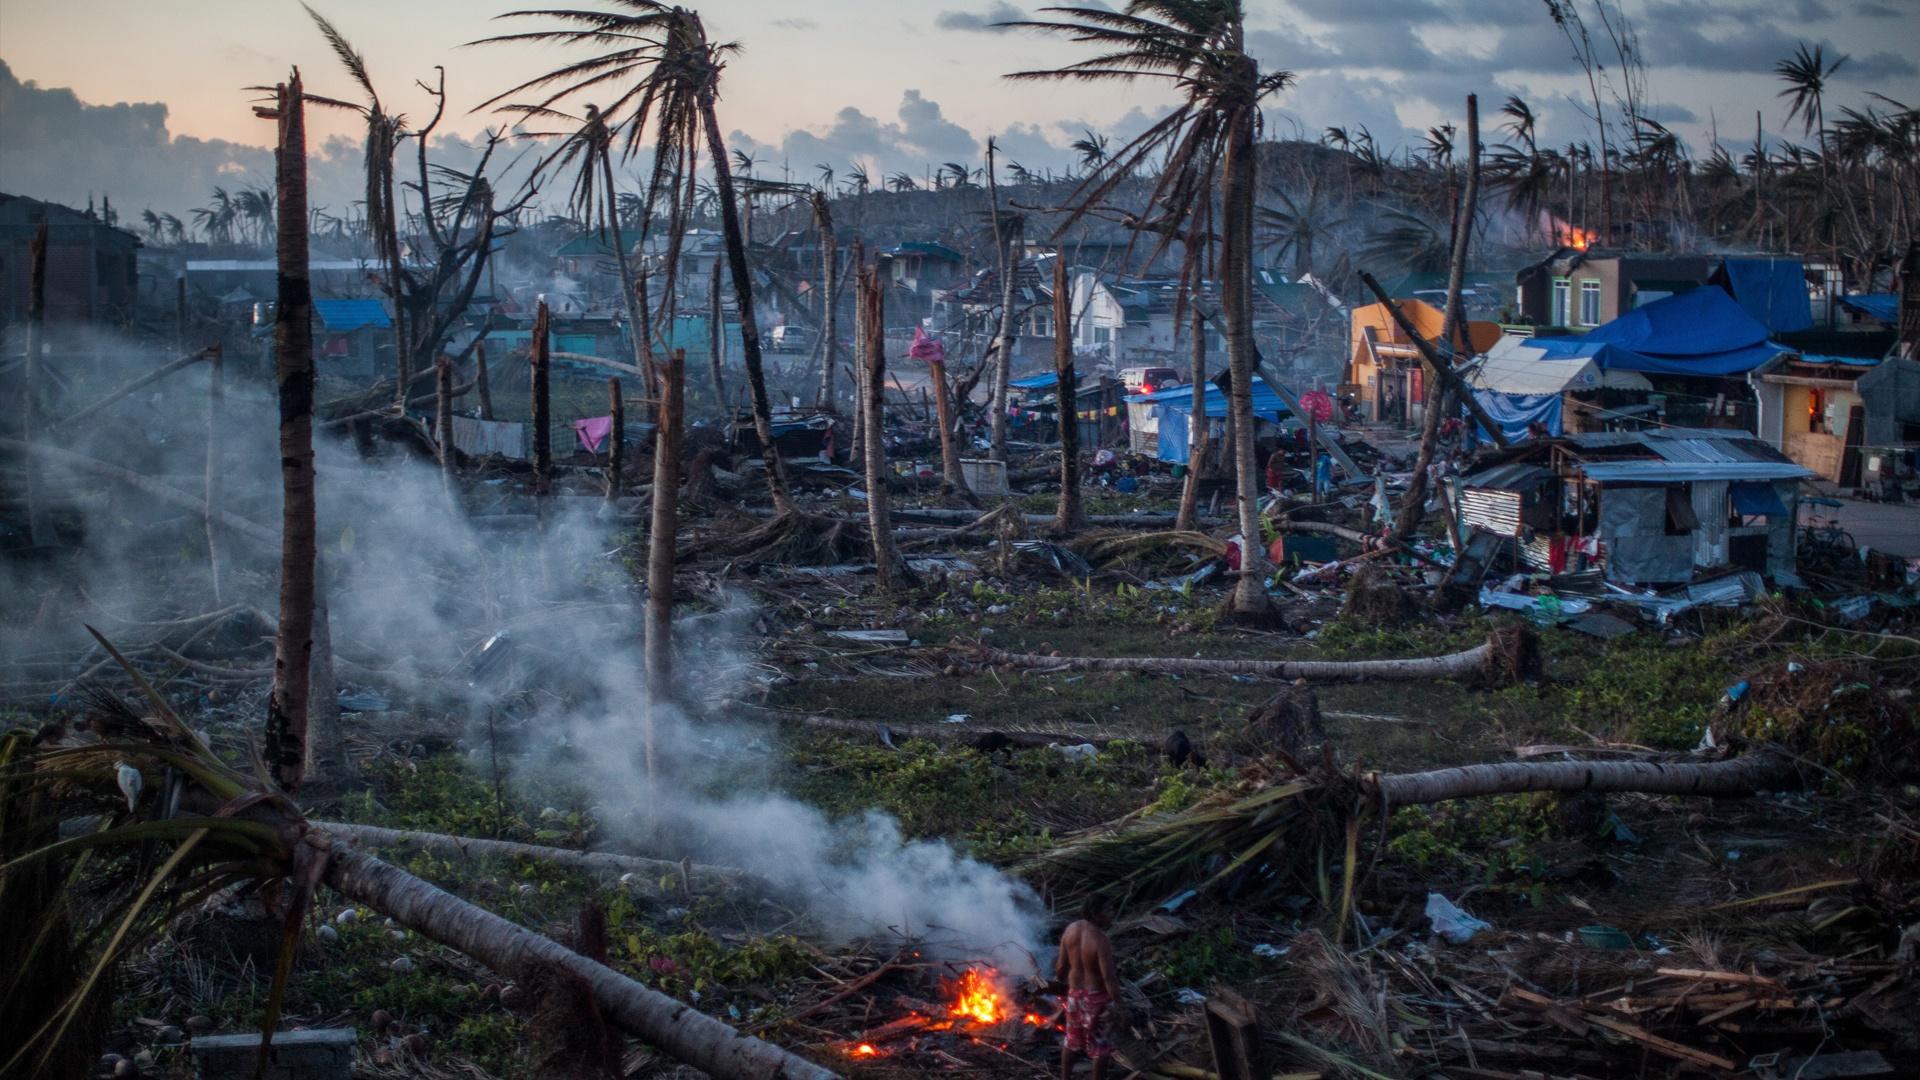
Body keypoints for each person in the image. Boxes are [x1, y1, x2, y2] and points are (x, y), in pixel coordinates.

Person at [1054, 894, 1126, 1079]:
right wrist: (1121, 1006)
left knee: (1071, 1041)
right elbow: (1109, 979)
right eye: (1109, 910)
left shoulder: (1070, 930)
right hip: (1095, 999)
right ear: (1096, 913)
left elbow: (1061, 967)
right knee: (1100, 1046)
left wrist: (1059, 986)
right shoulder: (1101, 940)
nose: (1112, 914)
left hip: (1074, 995)